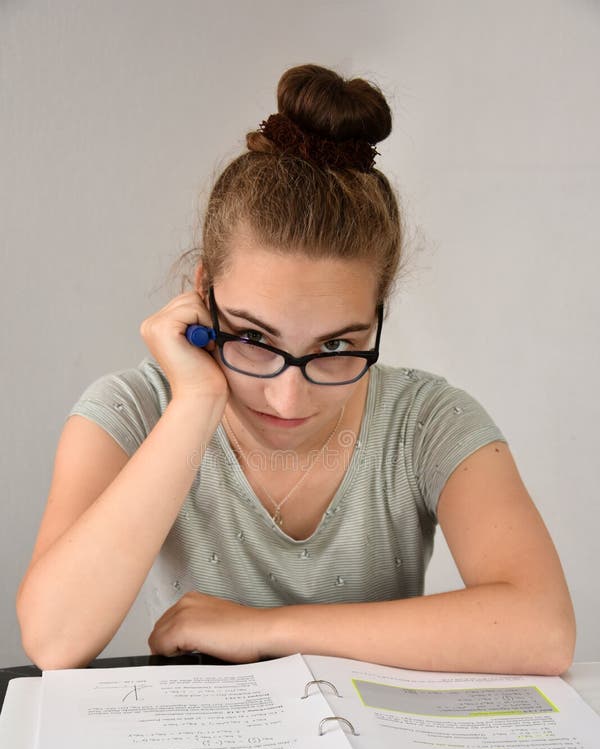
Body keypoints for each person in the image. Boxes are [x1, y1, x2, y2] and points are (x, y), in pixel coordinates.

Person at [17, 64, 575, 674]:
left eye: (336, 347)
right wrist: (195, 404)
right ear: (204, 291)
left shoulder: (427, 423)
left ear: (378, 317)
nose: (287, 398)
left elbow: (542, 631)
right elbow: (53, 640)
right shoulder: (131, 410)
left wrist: (266, 631)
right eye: (254, 337)